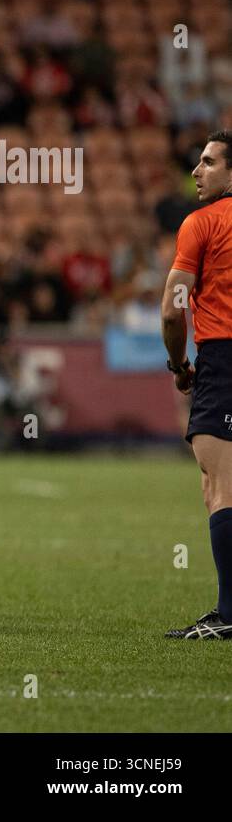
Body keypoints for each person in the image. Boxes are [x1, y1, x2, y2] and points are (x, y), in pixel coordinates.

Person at [162, 129, 232, 639]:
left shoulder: (201, 223)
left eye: (208, 162)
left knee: (219, 487)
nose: (196, 170)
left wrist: (178, 362)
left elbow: (172, 308)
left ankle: (229, 615)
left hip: (222, 358)